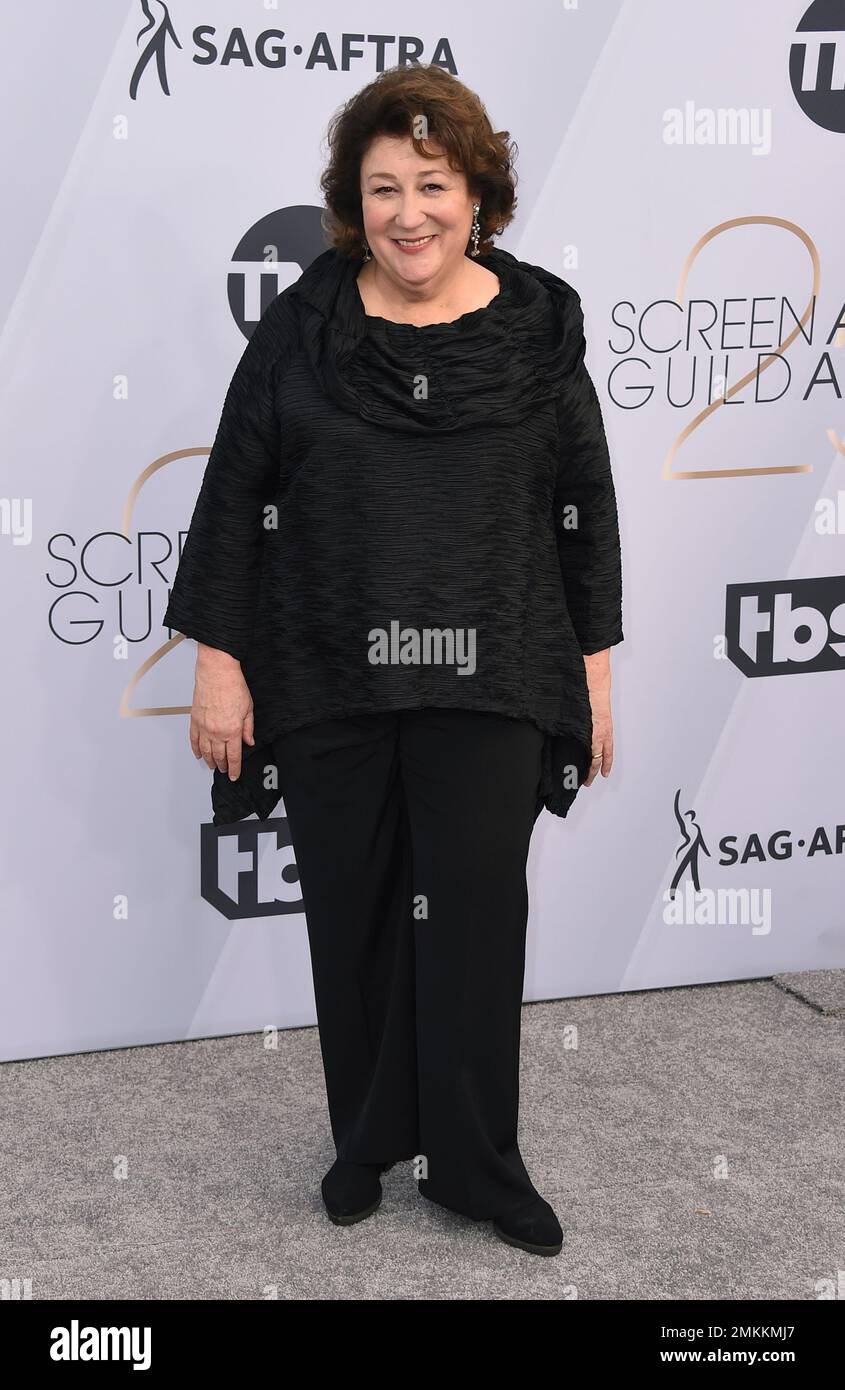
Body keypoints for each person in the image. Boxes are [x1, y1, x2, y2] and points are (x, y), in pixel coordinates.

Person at [163, 63, 623, 1258]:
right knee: (356, 918)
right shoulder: (302, 327)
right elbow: (233, 497)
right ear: (349, 201)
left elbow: (583, 507)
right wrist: (222, 662)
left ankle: (476, 1164)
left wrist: (594, 679)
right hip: (327, 670)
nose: (406, 212)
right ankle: (366, 1140)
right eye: (381, 189)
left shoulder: (537, 326)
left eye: (431, 182)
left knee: (471, 924)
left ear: (478, 195)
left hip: (493, 672)